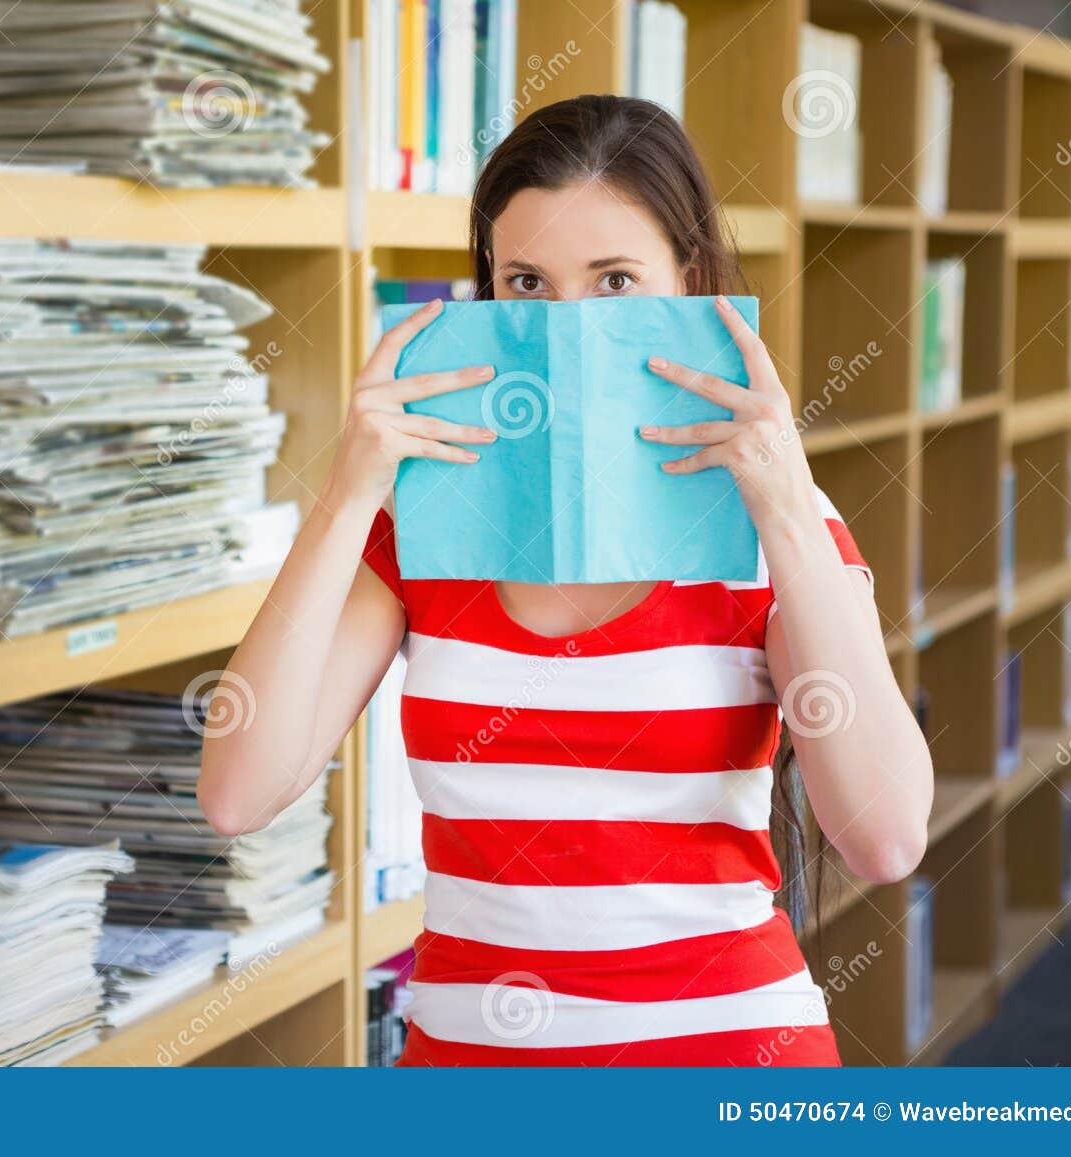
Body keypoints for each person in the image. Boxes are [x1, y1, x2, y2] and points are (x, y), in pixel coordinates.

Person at [198, 95, 933, 1066]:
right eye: (528, 285)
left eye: (615, 282)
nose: (569, 328)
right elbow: (236, 795)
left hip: (724, 1050)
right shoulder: (417, 527)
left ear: (691, 282)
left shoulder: (778, 529)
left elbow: (883, 841)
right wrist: (346, 493)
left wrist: (790, 509)